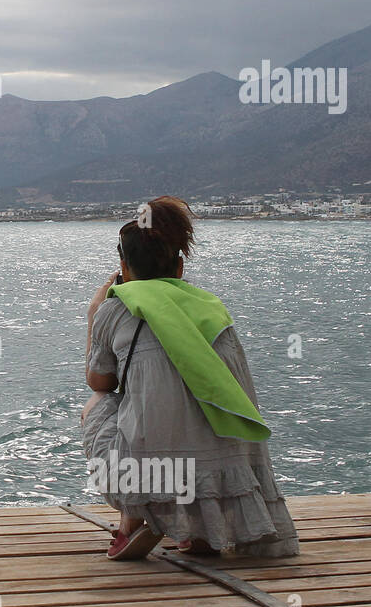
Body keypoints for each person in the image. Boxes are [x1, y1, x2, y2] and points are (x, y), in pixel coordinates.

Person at [80, 196, 299, 560]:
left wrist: (94, 311)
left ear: (123, 266)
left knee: (99, 405)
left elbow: (99, 382)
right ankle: (200, 535)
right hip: (224, 467)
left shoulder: (115, 309)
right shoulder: (211, 309)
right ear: (179, 266)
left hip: (151, 470)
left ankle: (131, 518)